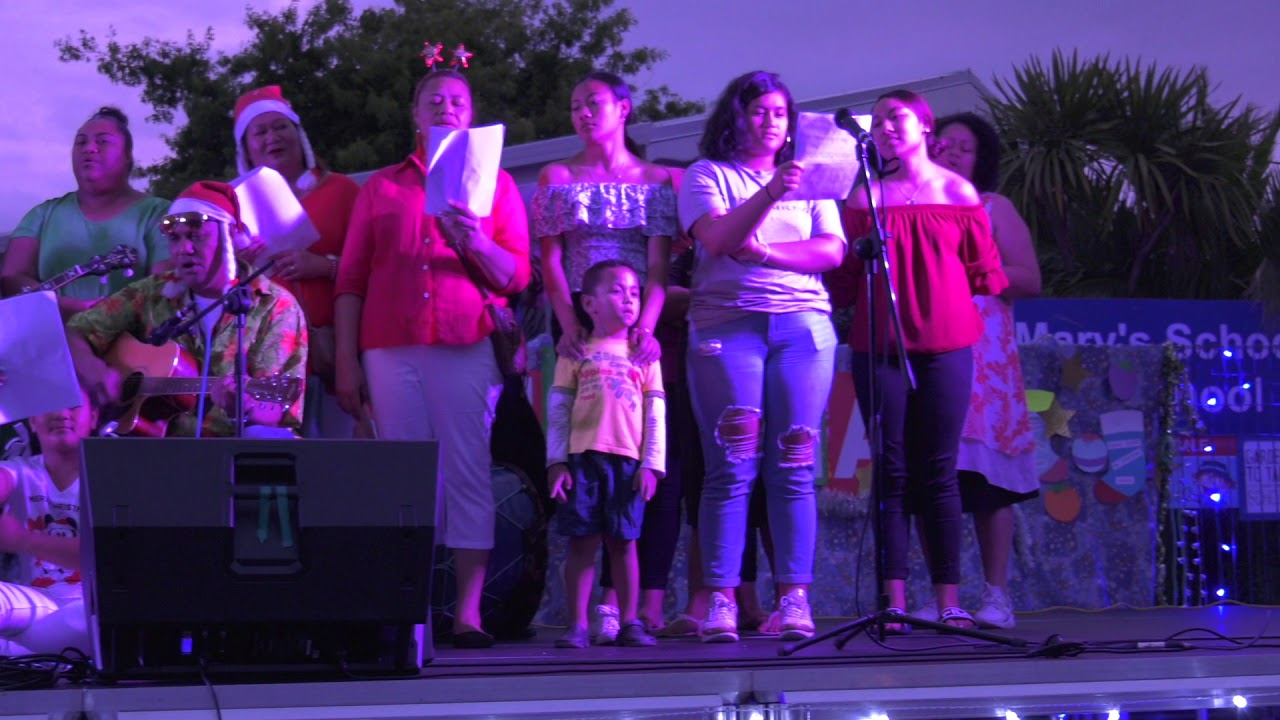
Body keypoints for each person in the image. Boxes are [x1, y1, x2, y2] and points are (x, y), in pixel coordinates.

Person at [333, 66, 531, 649]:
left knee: (467, 470)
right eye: (434, 99)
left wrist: (474, 238)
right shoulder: (382, 187)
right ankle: (409, 607)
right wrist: (346, 362)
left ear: (470, 116)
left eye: (458, 101)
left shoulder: (495, 184)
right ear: (415, 114)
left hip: (465, 343)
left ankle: (468, 613)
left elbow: (516, 274)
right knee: (406, 476)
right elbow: (350, 278)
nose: (446, 107)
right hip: (390, 347)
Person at [828, 90, 1010, 632]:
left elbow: (985, 271)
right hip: (879, 345)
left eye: (897, 117)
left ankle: (949, 599)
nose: (885, 126)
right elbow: (842, 280)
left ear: (926, 127)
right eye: (878, 120)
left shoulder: (958, 192)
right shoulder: (865, 199)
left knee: (939, 470)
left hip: (947, 345)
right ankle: (894, 601)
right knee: (890, 468)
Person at [677, 71, 845, 643]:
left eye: (779, 112)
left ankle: (794, 597)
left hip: (803, 330)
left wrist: (769, 253)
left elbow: (831, 251)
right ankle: (721, 598)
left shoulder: (815, 179)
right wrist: (771, 194)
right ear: (736, 116)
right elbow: (719, 240)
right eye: (758, 111)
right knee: (731, 466)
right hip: (728, 327)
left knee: (795, 465)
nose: (770, 121)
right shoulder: (707, 175)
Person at [532, 70, 675, 640]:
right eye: (574, 106)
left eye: (593, 103)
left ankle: (630, 611)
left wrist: (647, 328)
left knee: (638, 456)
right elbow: (550, 260)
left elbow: (660, 267)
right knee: (579, 442)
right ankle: (582, 618)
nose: (583, 113)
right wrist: (570, 323)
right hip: (578, 324)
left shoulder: (656, 178)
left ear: (624, 108)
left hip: (636, 329)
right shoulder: (558, 175)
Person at [903, 112, 1041, 629]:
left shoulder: (992, 207)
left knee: (987, 483)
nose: (953, 152)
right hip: (924, 348)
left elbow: (1029, 279)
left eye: (965, 147)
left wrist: (971, 268)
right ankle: (944, 596)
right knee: (931, 477)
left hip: (984, 359)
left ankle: (996, 595)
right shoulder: (907, 204)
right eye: (944, 143)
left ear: (981, 158)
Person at [65, 181, 307, 438]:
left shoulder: (276, 306)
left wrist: (243, 406)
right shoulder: (151, 293)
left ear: (231, 236)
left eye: (195, 235)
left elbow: (276, 412)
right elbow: (75, 332)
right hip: (150, 447)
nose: (184, 249)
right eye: (174, 238)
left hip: (227, 450)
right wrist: (94, 370)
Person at [232, 85, 361, 439]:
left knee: (342, 465)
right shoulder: (235, 211)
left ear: (298, 135)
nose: (272, 137)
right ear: (246, 149)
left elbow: (374, 272)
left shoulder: (344, 192)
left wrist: (323, 266)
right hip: (271, 365)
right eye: (260, 132)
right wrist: (241, 267)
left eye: (280, 127)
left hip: (338, 353)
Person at [547, 260, 664, 648]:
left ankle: (631, 622)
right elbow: (559, 409)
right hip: (582, 459)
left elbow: (655, 412)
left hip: (627, 463)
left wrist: (652, 465)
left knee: (624, 543)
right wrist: (557, 462)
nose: (629, 300)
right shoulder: (574, 351)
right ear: (589, 304)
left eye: (634, 293)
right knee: (582, 543)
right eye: (617, 291)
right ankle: (577, 624)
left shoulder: (644, 354)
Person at [2, 107, 170, 320]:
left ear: (128, 156)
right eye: (81, 142)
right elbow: (12, 277)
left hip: (134, 343)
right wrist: (67, 307)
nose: (89, 148)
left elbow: (165, 288)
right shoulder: (43, 214)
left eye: (103, 141)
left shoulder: (159, 213)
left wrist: (108, 315)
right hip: (50, 340)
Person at [0, 387, 96, 656]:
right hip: (35, 605)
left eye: (74, 405)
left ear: (94, 417)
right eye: (51, 404)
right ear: (32, 420)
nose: (62, 413)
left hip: (89, 609)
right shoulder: (19, 470)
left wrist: (22, 540)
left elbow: (100, 556)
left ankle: (21, 655)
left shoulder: (109, 475)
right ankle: (30, 657)